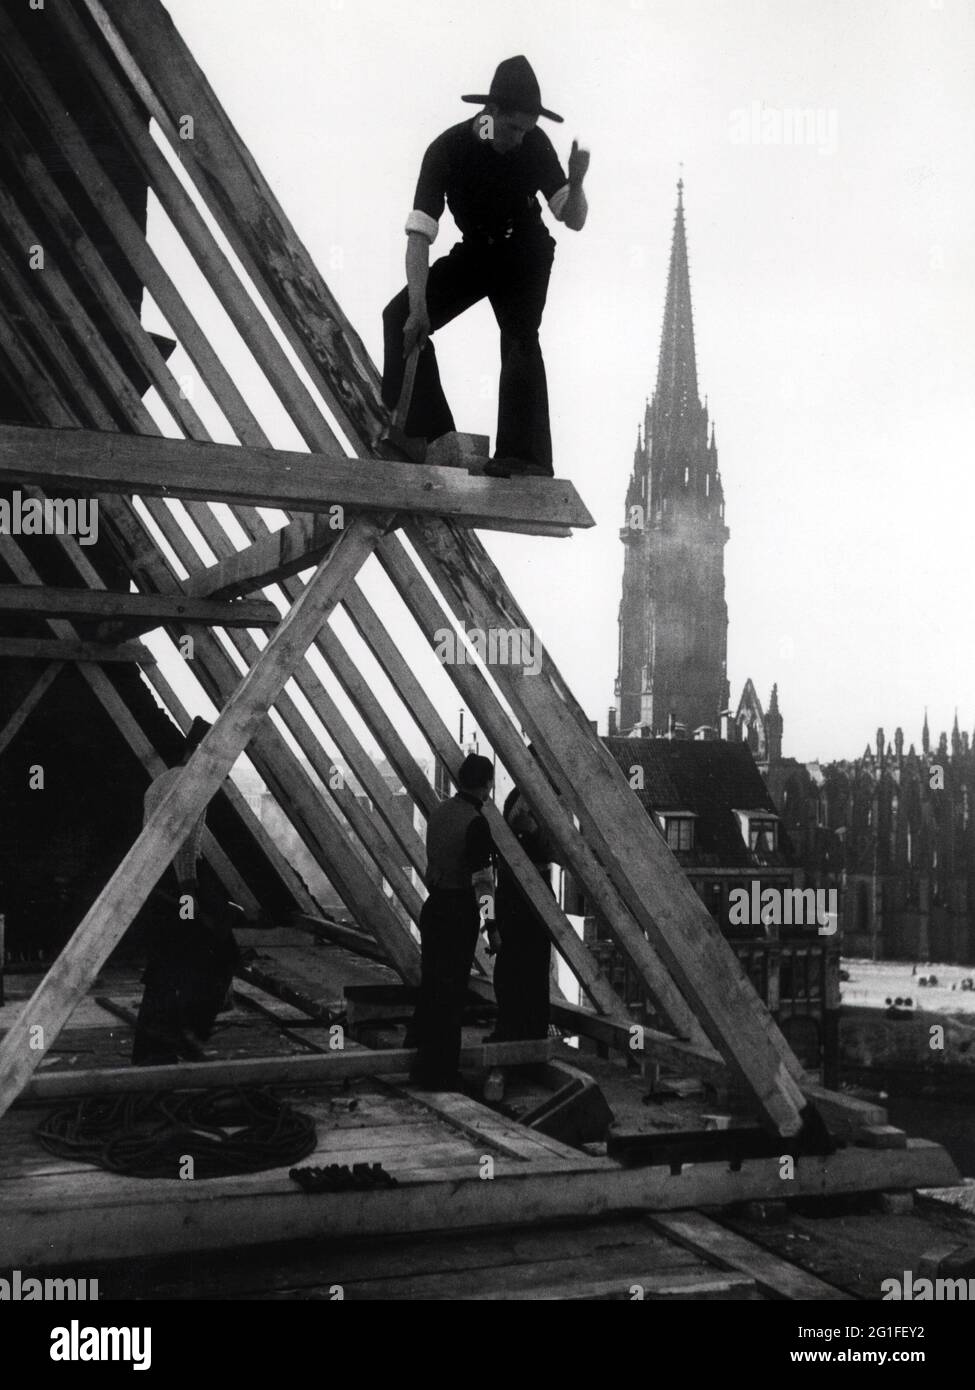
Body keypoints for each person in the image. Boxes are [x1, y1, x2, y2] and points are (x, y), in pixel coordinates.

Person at [382, 55, 590, 478]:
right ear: (489, 114)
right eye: (513, 128)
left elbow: (574, 218)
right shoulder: (446, 150)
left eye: (527, 130)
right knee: (400, 315)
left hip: (525, 252)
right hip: (478, 251)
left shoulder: (533, 144)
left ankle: (525, 457)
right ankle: (428, 433)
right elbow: (419, 236)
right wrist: (420, 306)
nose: (519, 138)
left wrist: (578, 183)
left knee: (519, 337)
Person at [132, 718, 241, 1065]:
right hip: (178, 884)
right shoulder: (192, 784)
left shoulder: (161, 782)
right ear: (199, 751)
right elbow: (183, 843)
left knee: (168, 962)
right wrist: (190, 896)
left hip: (155, 883)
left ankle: (152, 1053)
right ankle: (190, 1031)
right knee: (221, 951)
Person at [409, 753, 496, 1088]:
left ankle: (422, 1062)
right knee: (451, 995)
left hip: (434, 908)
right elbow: (482, 880)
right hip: (458, 913)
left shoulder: (441, 813)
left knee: (432, 987)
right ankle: (443, 1072)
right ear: (487, 785)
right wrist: (491, 925)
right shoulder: (475, 823)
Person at [492, 783, 558, 1041]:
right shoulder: (529, 801)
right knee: (529, 965)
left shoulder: (517, 797)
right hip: (527, 890)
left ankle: (515, 1028)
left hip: (513, 891)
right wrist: (536, 833)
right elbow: (552, 851)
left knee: (516, 964)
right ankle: (526, 1030)